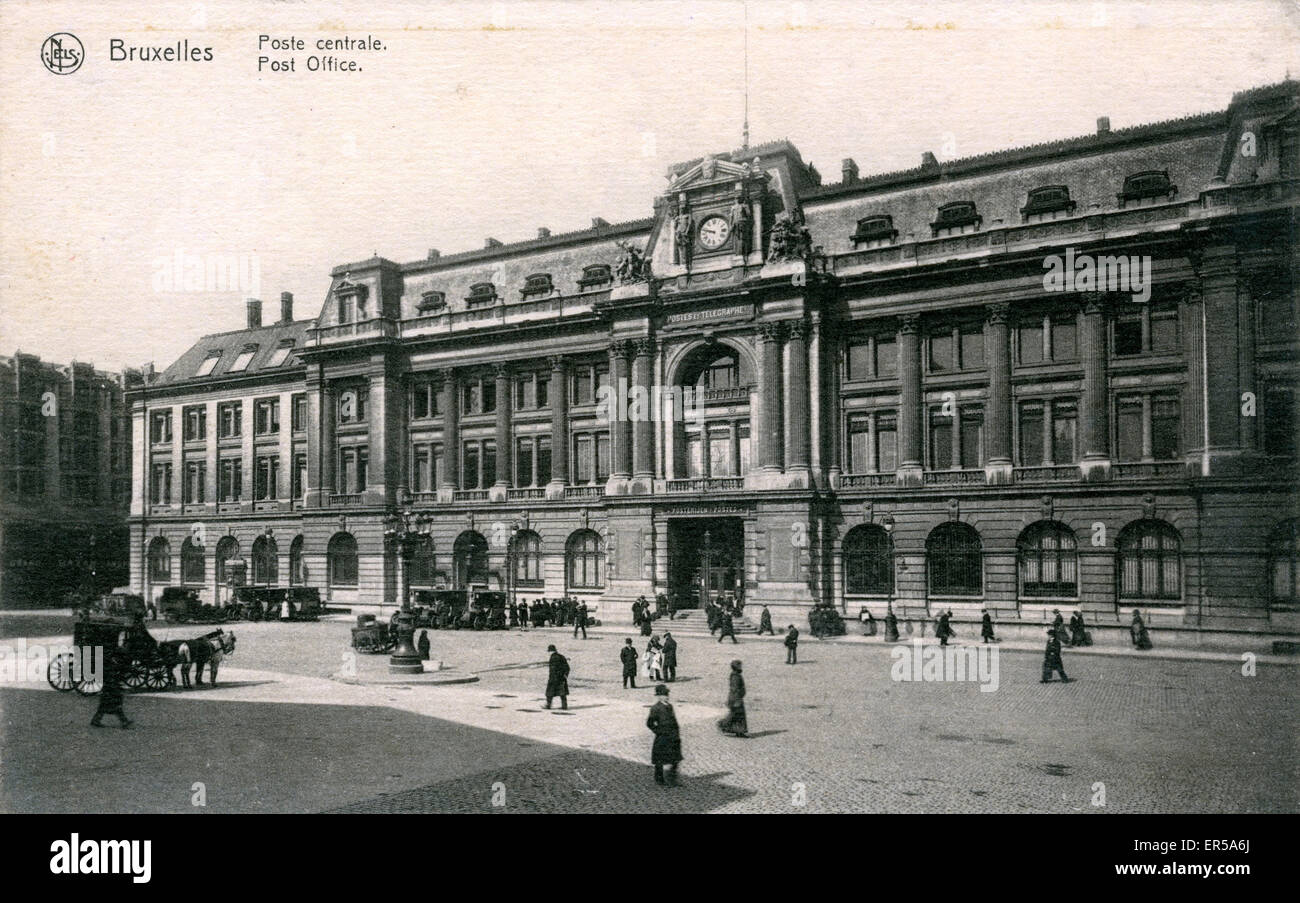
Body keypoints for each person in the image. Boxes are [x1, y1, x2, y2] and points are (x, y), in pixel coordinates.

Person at [646, 684, 682, 786]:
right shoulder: (655, 708)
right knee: (659, 759)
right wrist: (659, 731)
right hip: (662, 737)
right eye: (664, 695)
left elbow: (674, 721)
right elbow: (649, 723)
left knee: (675, 758)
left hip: (673, 736)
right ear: (659, 696)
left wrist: (677, 733)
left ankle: (672, 778)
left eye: (667, 694)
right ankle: (659, 779)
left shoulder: (670, 706)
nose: (667, 697)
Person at [91, 647, 132, 729]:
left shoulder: (112, 662)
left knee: (105, 705)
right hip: (110, 687)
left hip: (110, 687)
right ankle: (124, 721)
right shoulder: (110, 664)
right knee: (114, 704)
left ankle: (96, 720)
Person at [717, 660, 748, 738]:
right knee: (734, 714)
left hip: (737, 698)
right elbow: (735, 689)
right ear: (736, 666)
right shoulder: (735, 676)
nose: (741, 666)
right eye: (740, 665)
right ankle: (722, 724)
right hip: (736, 698)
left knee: (740, 715)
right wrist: (737, 700)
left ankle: (739, 732)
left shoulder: (736, 675)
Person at [545, 645, 569, 710]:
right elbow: (567, 667)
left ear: (550, 651)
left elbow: (553, 669)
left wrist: (552, 677)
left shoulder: (553, 657)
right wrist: (565, 675)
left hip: (554, 678)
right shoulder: (561, 656)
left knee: (549, 692)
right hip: (561, 678)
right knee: (562, 693)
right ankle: (564, 706)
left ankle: (548, 705)